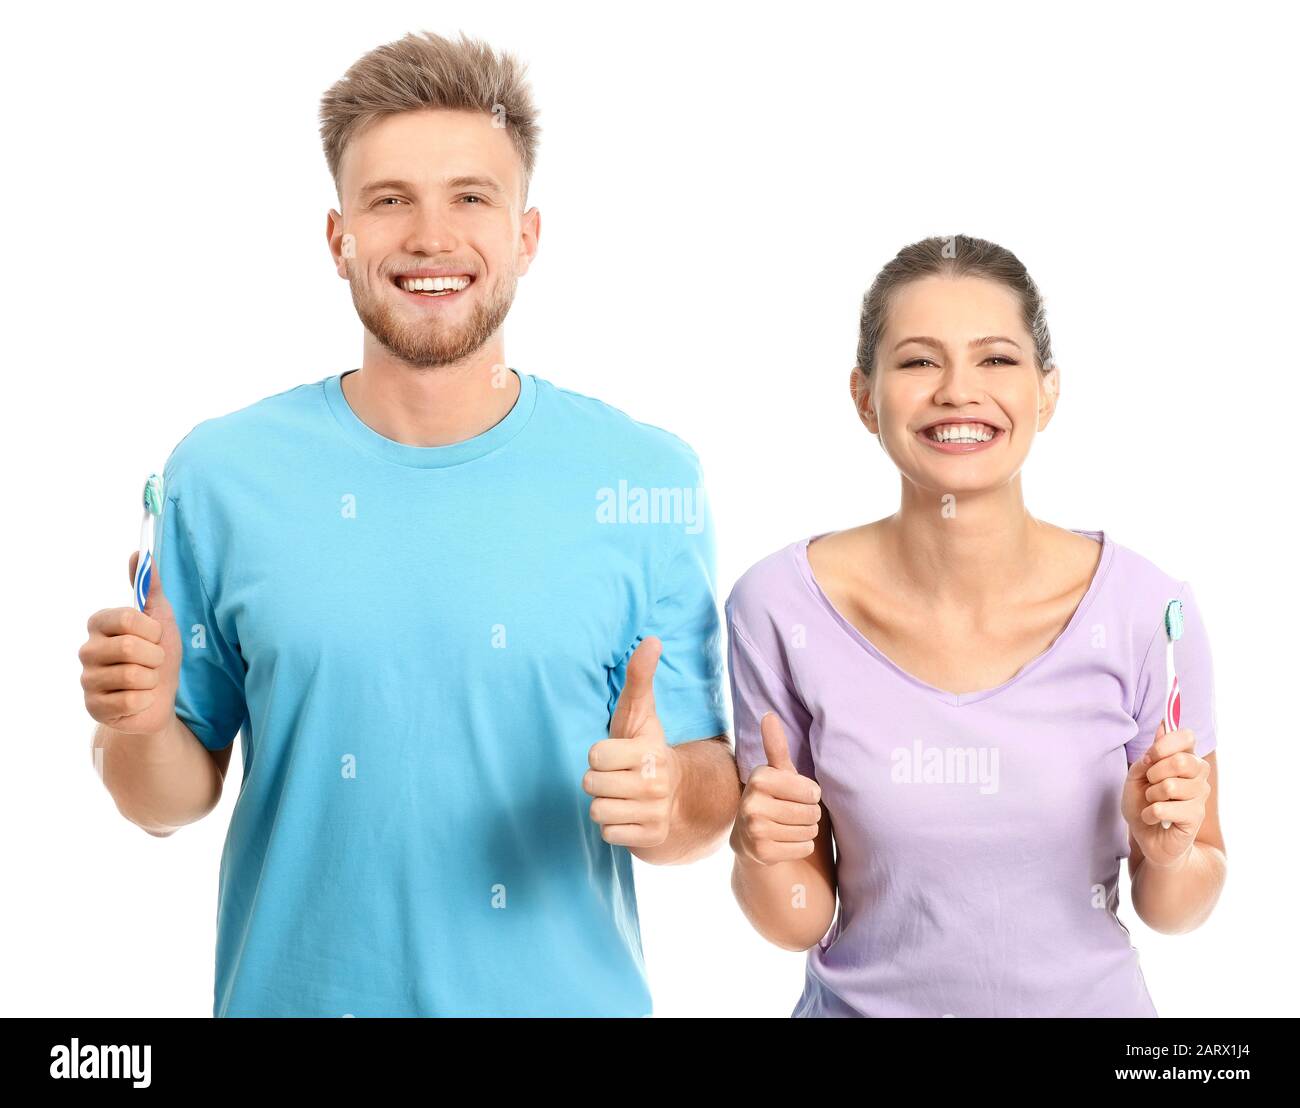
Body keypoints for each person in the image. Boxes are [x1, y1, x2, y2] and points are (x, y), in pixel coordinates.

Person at [78, 30, 738, 1017]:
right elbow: (167, 796)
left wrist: (670, 797)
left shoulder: (644, 480)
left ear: (526, 235)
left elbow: (703, 791)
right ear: (339, 237)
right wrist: (134, 725)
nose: (431, 238)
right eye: (390, 201)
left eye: (471, 197)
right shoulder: (220, 475)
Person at [725, 234, 1227, 1017]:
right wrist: (761, 851)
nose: (959, 390)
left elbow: (1179, 905)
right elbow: (798, 918)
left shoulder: (1147, 611)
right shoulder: (777, 607)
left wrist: (1168, 852)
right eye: (919, 361)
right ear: (864, 396)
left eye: (996, 359)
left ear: (1046, 393)